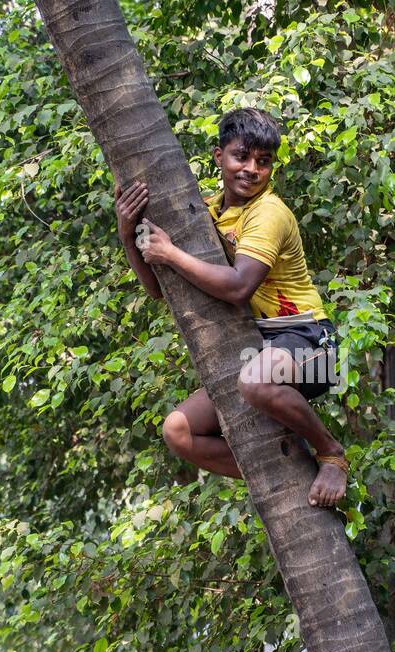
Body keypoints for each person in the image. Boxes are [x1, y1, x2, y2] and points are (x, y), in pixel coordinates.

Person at [113, 107, 348, 506]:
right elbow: (157, 289)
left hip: (312, 343)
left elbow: (239, 287)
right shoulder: (206, 211)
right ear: (218, 156)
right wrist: (126, 230)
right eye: (242, 156)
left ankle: (331, 452)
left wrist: (171, 254)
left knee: (255, 381)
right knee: (178, 432)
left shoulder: (269, 213)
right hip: (260, 351)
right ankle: (277, 472)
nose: (252, 169)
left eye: (264, 162)